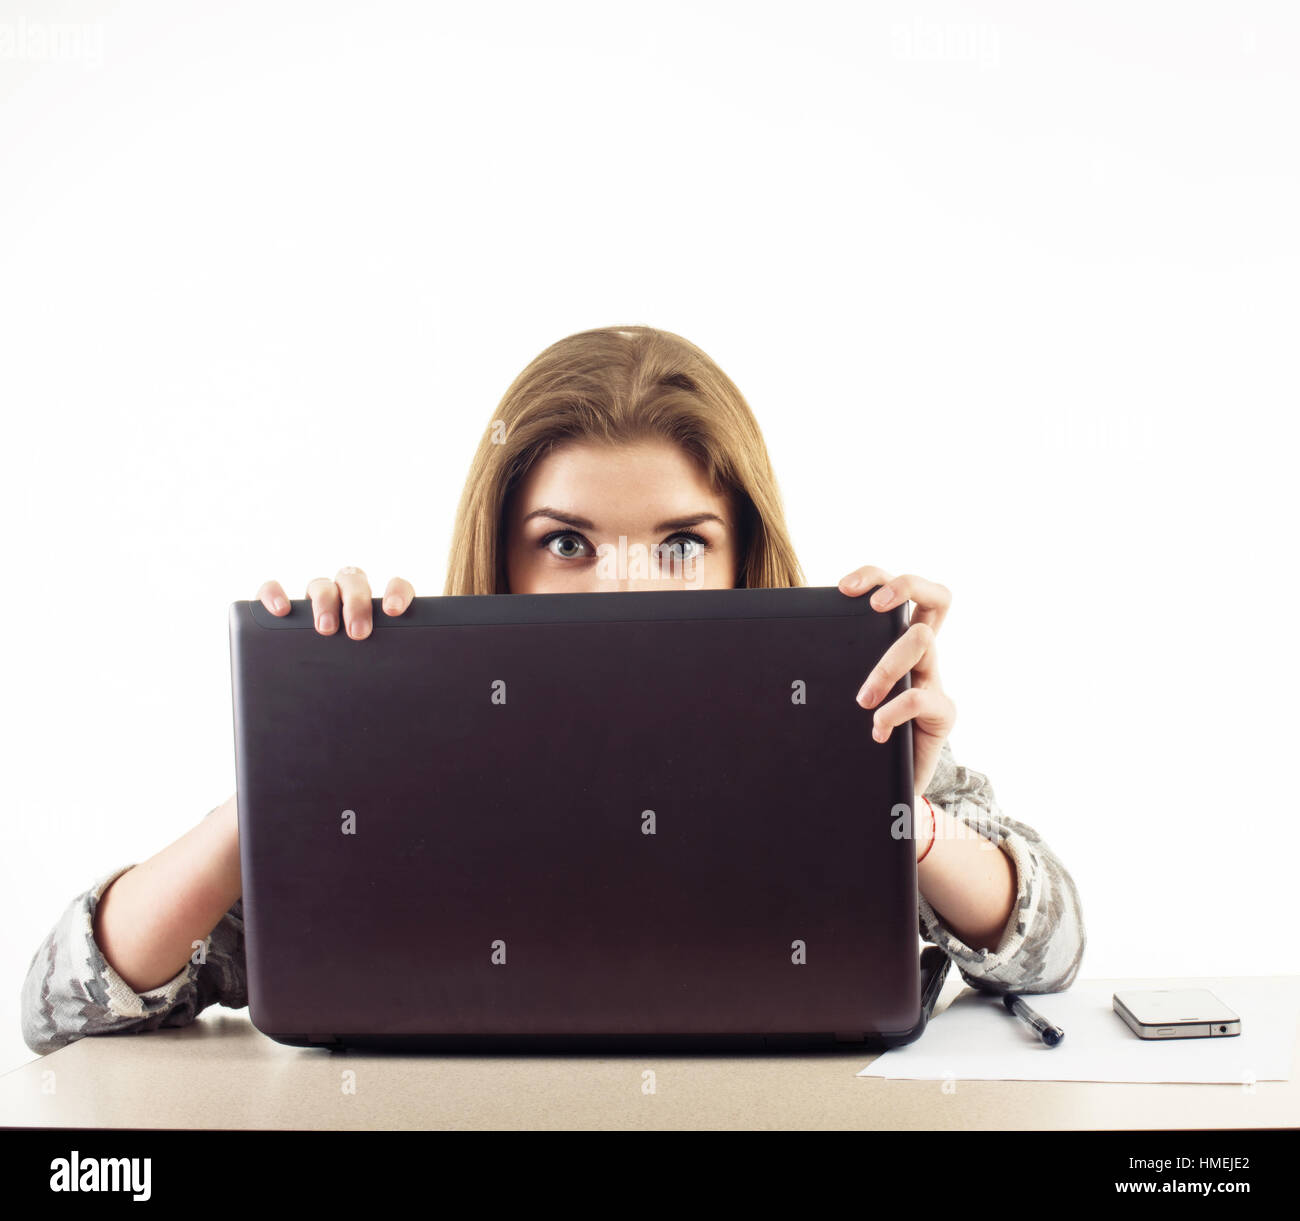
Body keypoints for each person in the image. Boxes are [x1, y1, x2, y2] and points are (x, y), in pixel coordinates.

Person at [20, 324, 1085, 1056]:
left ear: (740, 554)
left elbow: (1050, 952)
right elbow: (62, 1001)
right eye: (569, 541)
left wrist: (901, 819)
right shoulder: (406, 766)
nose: (622, 583)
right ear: (503, 553)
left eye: (678, 542)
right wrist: (288, 777)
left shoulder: (843, 728)